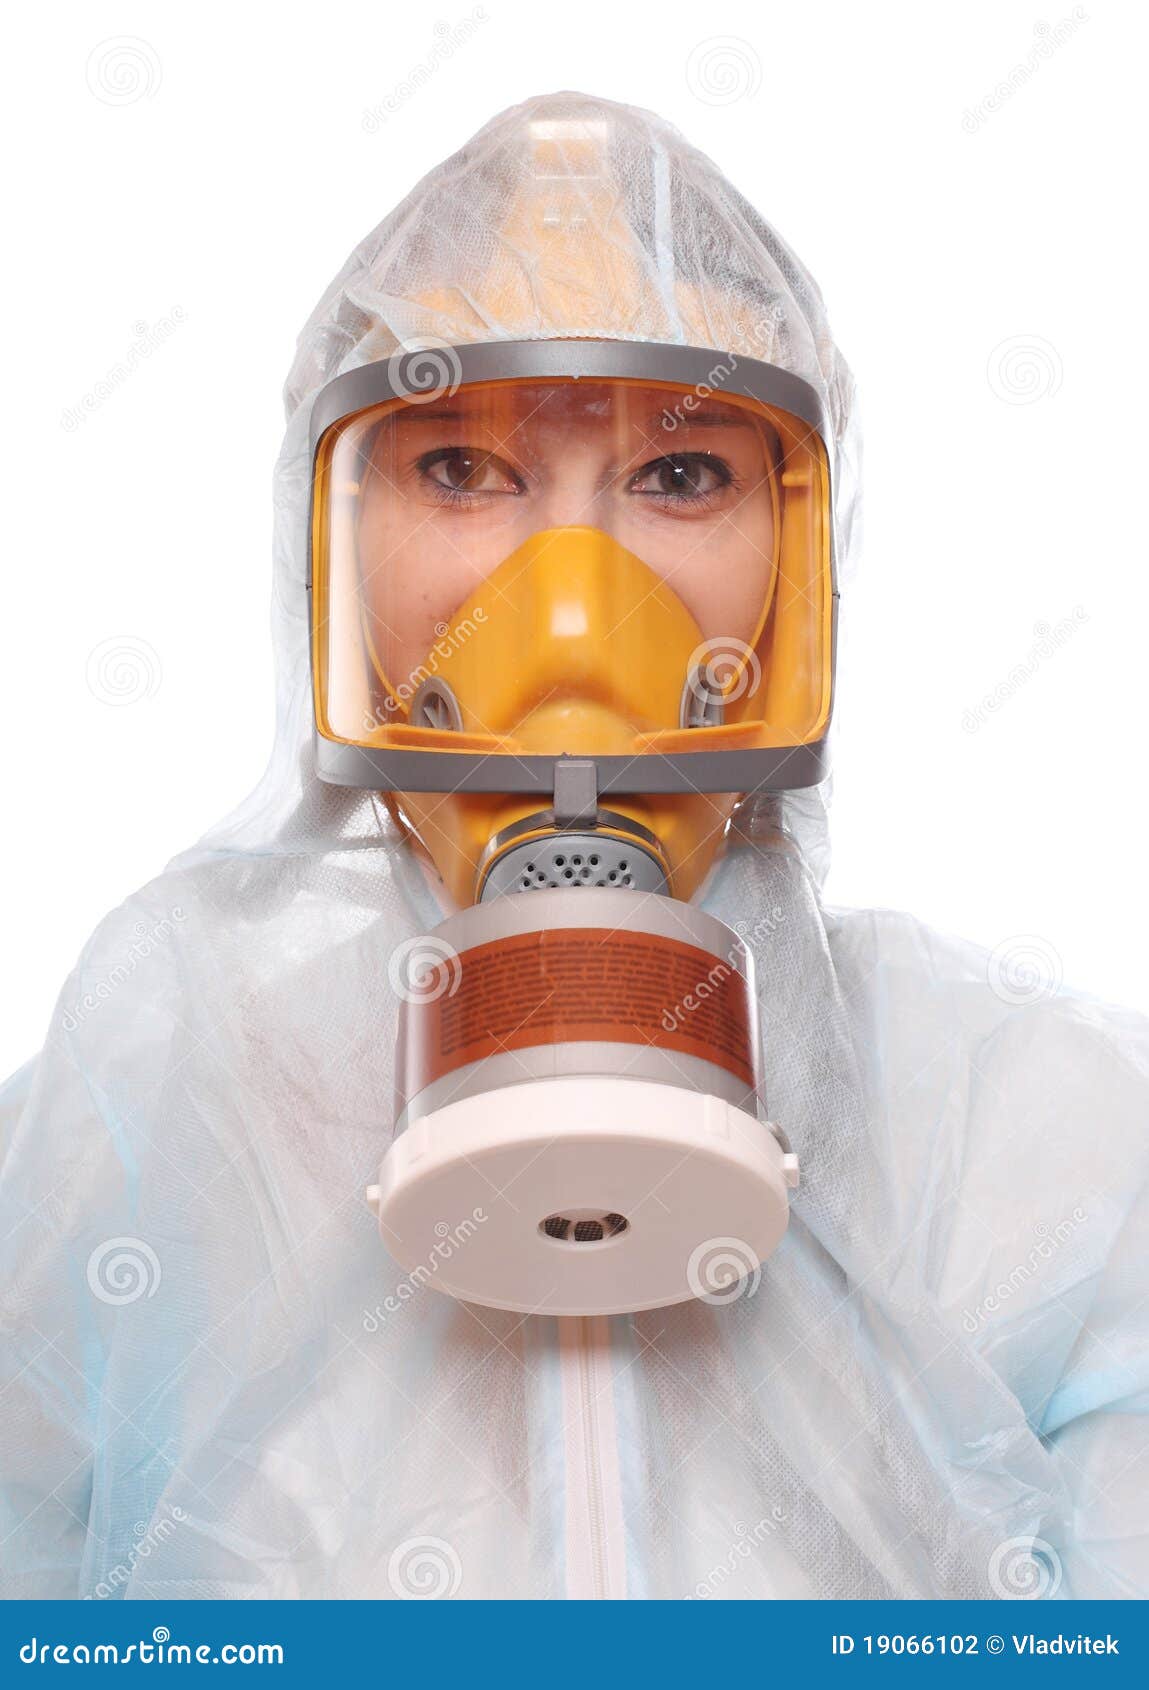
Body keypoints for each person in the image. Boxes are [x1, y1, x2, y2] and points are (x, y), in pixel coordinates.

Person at [1, 91, 1145, 1602]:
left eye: (679, 475)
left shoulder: (1027, 1128)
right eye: (462, 469)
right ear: (332, 540)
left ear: (801, 566)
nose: (565, 609)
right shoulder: (170, 1092)